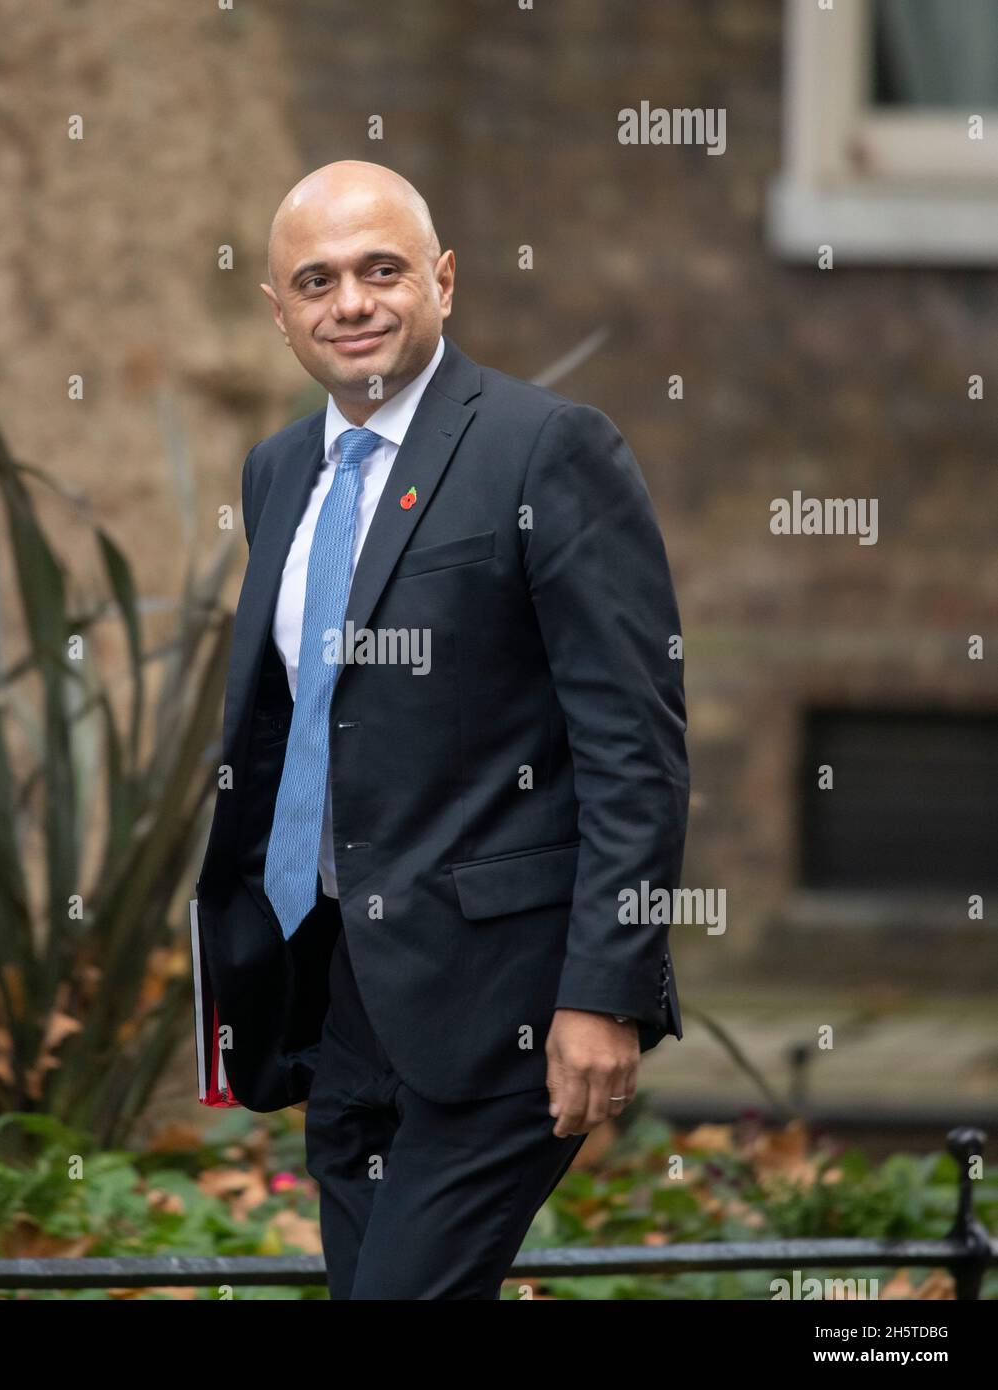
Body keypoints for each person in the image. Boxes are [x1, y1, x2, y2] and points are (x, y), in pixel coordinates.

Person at [194, 159, 688, 1299]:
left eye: (380, 270)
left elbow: (634, 747)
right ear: (279, 313)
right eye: (315, 282)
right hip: (338, 1001)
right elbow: (287, 731)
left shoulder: (545, 447)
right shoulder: (277, 472)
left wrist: (602, 992)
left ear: (444, 281)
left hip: (506, 1006)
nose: (350, 303)